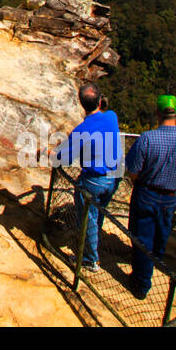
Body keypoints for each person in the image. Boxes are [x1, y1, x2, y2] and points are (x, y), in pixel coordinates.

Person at [124, 94, 176, 299]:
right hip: (171, 197)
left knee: (142, 237)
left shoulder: (147, 138)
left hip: (146, 191)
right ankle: (154, 261)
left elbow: (132, 169)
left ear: (157, 113)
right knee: (161, 233)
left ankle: (141, 284)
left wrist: (139, 181)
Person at [50, 82, 122, 273]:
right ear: (100, 101)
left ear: (81, 103)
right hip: (114, 178)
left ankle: (89, 259)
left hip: (93, 181)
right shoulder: (111, 118)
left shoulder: (81, 131)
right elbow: (105, 111)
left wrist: (48, 151)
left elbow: (63, 158)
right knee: (97, 213)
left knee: (87, 218)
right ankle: (92, 242)